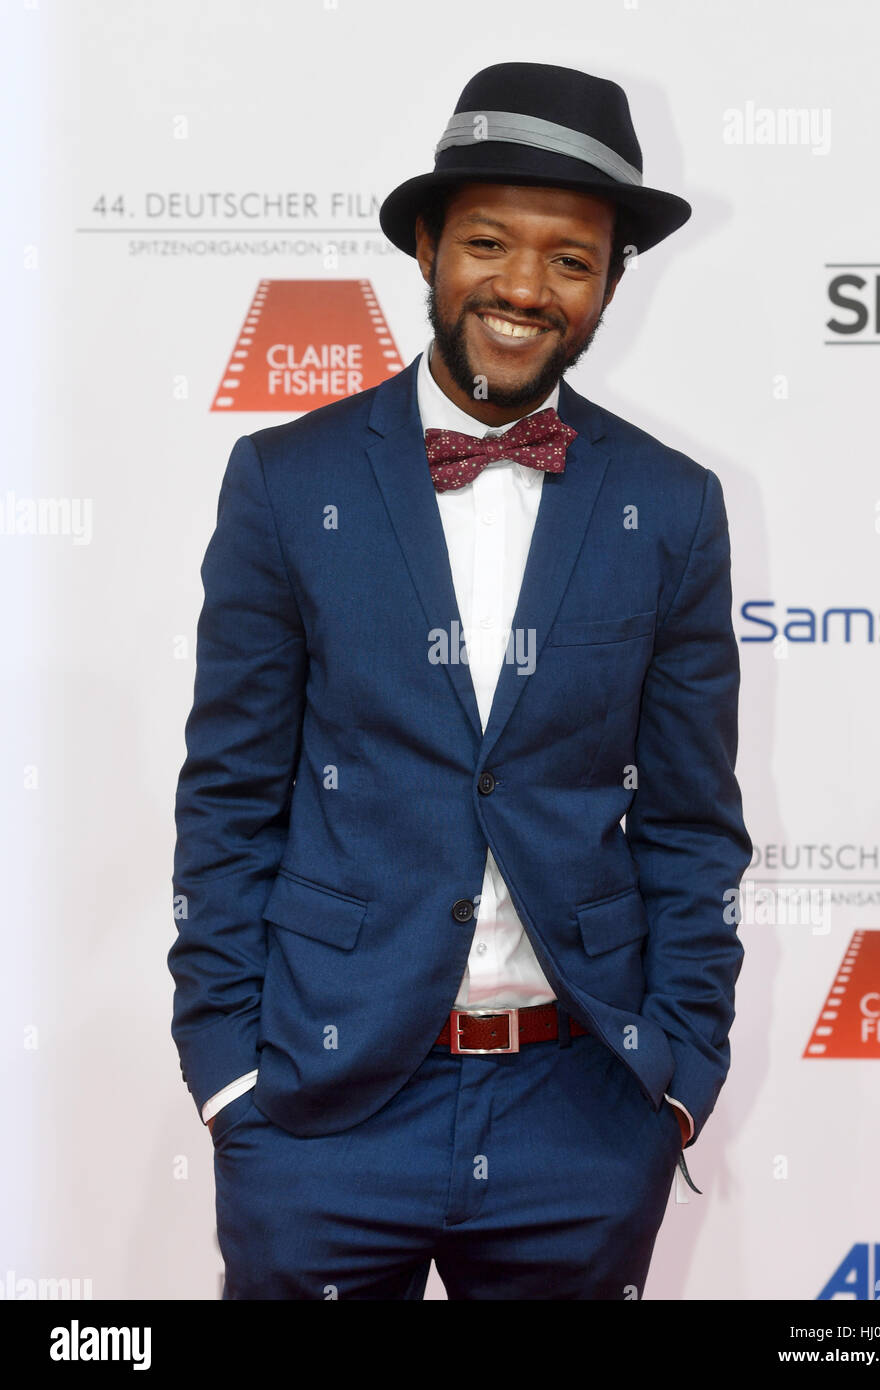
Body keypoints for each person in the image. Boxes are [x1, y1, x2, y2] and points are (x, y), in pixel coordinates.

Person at [168, 61, 753, 1300]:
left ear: (608, 287)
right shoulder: (284, 481)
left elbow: (695, 824)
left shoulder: (674, 507)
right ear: (427, 246)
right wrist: (230, 1077)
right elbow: (228, 801)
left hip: (580, 1113)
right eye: (488, 241)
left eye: (573, 261)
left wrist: (679, 1082)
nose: (525, 289)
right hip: (319, 1115)